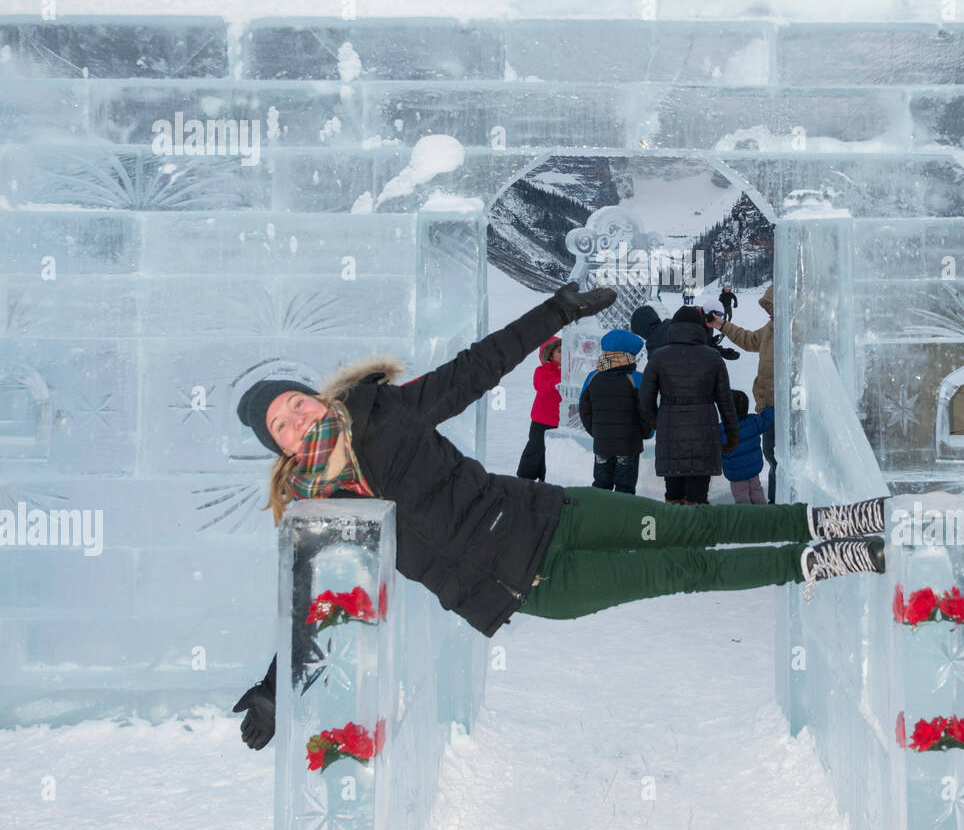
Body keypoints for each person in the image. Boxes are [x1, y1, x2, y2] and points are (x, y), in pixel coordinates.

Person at [230, 281, 899, 751]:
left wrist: (555, 311)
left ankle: (831, 520)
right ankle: (816, 558)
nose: (296, 420)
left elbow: (476, 369)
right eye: (280, 426)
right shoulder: (325, 511)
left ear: (313, 398)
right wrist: (273, 692)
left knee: (696, 526)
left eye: (295, 404)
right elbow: (310, 604)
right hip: (530, 585)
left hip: (555, 510)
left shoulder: (384, 413)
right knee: (683, 570)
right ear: (281, 449)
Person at [639, 306, 737, 506]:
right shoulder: (713, 357)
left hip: (670, 432)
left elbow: (645, 400)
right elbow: (726, 402)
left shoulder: (658, 356)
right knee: (698, 497)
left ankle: (675, 534)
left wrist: (658, 422)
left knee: (673, 495)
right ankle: (698, 534)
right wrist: (732, 434)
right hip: (704, 434)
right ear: (700, 328)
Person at [709, 283, 776, 501]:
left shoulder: (797, 331)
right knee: (772, 458)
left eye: (771, 306)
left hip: (783, 411)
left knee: (779, 461)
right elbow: (748, 340)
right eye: (767, 307)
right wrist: (722, 325)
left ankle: (778, 508)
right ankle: (772, 508)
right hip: (768, 407)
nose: (768, 311)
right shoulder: (770, 328)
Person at [578, 329, 650, 494]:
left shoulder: (592, 377)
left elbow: (584, 408)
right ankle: (621, 519)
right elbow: (646, 411)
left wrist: (596, 431)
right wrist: (645, 433)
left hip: (602, 443)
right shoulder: (637, 378)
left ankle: (599, 517)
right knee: (625, 489)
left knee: (601, 486)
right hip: (629, 445)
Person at [516, 335, 561, 481]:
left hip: (557, 421)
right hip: (541, 419)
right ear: (549, 354)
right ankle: (525, 477)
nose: (563, 354)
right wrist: (558, 382)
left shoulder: (567, 372)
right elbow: (540, 386)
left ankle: (545, 478)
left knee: (549, 452)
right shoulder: (541, 371)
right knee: (535, 449)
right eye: (559, 351)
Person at [719, 390, 774, 504]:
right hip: (753, 470)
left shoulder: (721, 430)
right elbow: (767, 419)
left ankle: (746, 518)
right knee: (757, 492)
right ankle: (763, 516)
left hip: (736, 474)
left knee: (741, 498)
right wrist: (769, 406)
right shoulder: (753, 421)